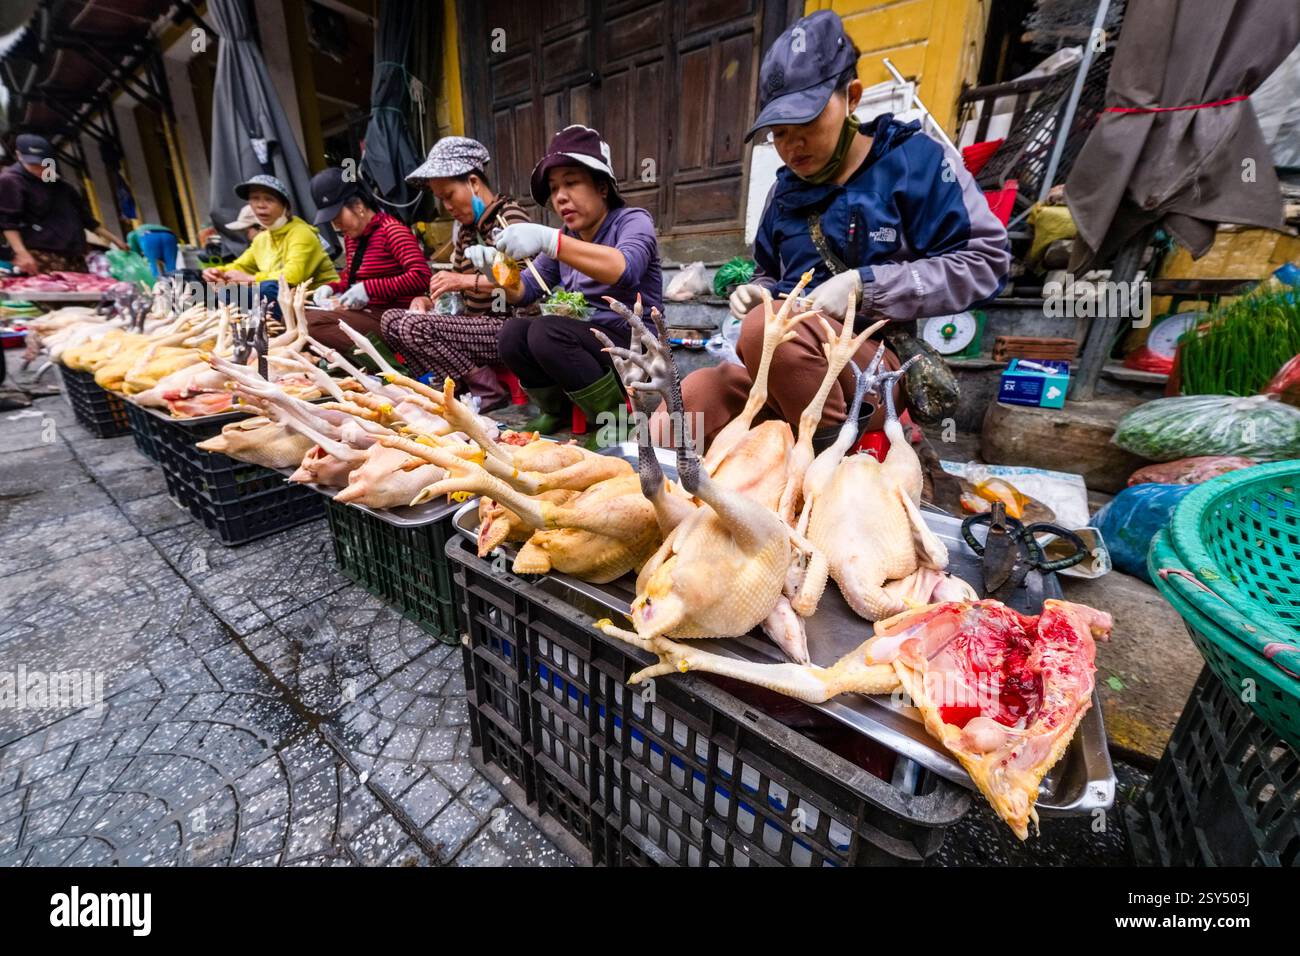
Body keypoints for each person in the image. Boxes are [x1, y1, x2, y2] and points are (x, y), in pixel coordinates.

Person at [671, 10, 1010, 448]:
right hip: (785, 365)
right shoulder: (783, 192)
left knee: (770, 330)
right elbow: (769, 274)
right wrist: (760, 290)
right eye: (778, 132)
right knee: (688, 404)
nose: (792, 147)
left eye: (807, 124)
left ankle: (828, 470)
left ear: (851, 97)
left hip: (874, 367)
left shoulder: (916, 164)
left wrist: (864, 287)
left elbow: (986, 262)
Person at [468, 125, 662, 444]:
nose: (560, 197)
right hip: (586, 346)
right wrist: (495, 270)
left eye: (571, 182)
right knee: (512, 333)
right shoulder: (568, 237)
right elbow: (525, 292)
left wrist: (549, 240)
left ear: (602, 187)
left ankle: (616, 418)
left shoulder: (633, 221)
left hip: (634, 346)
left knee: (547, 331)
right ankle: (556, 409)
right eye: (555, 188)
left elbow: (625, 269)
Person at [379, 137, 530, 410]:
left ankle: (486, 390)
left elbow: (525, 279)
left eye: (449, 195)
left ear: (473, 183)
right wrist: (428, 300)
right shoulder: (467, 232)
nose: (447, 207)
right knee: (391, 320)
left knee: (414, 327)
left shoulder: (508, 218)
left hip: (508, 329)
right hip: (471, 327)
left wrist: (464, 280)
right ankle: (445, 384)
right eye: (440, 200)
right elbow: (456, 287)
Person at [304, 167, 432, 352]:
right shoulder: (352, 238)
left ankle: (388, 360)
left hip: (391, 317)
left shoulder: (392, 231)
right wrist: (333, 288)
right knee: (295, 317)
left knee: (311, 325)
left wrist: (369, 289)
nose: (335, 225)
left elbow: (422, 276)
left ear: (358, 206)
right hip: (365, 313)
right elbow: (351, 279)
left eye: (337, 216)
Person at [201, 174, 337, 310]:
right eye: (254, 199)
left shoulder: (302, 233)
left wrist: (251, 279)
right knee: (221, 291)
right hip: (286, 301)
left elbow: (292, 276)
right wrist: (218, 272)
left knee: (269, 288)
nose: (260, 205)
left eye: (269, 199)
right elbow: (241, 266)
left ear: (285, 206)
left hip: (318, 301)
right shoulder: (262, 239)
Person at [0, 133, 126, 274]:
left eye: (44, 163)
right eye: (33, 165)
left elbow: (85, 218)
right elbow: (8, 221)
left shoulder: (58, 184)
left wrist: (115, 240)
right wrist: (21, 253)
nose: (40, 169)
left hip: (74, 255)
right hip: (42, 255)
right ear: (19, 156)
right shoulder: (10, 181)